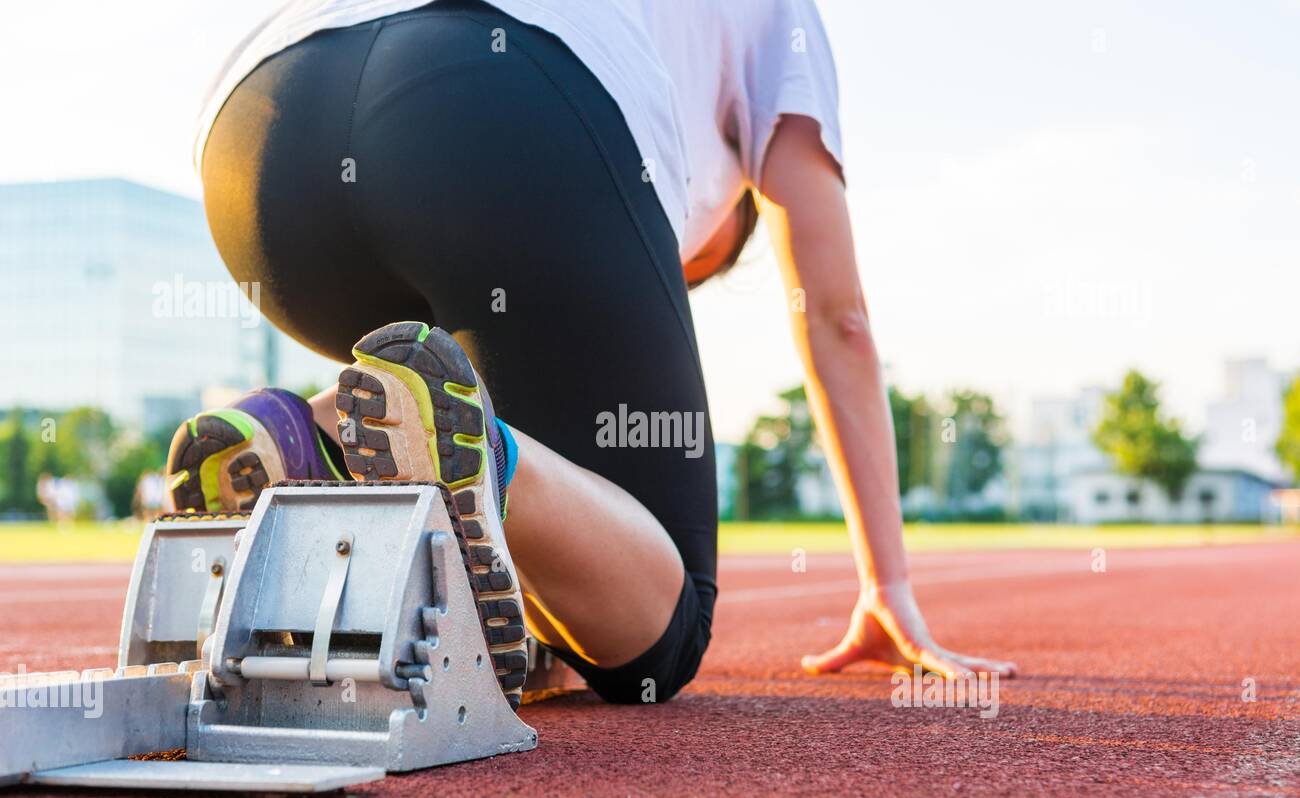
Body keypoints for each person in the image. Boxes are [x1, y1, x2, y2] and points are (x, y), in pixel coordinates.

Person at [171, 0, 1015, 709]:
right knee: (664, 633)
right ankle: (495, 460)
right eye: (691, 266)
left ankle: (300, 437)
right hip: (502, 107)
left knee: (435, 378)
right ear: (728, 204)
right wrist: (887, 587)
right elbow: (837, 316)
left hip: (258, 142)